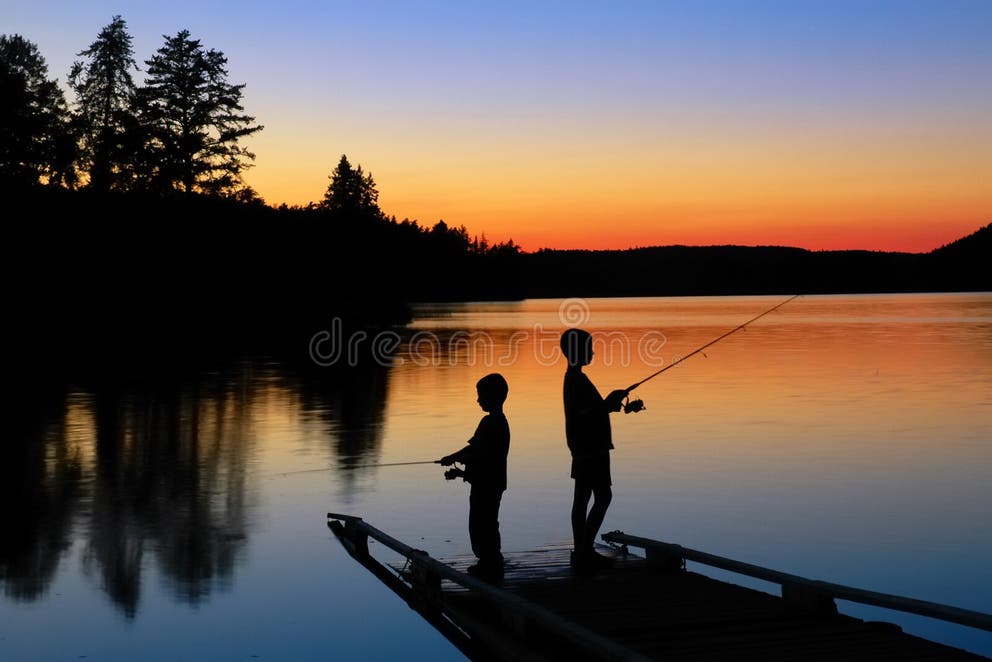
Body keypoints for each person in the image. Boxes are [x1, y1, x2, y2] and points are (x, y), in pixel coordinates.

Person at [560, 328, 627, 572]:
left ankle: (583, 550)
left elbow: (590, 410)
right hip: (590, 448)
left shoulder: (575, 378)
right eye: (589, 348)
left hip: (585, 447)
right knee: (600, 497)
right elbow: (584, 414)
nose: (592, 351)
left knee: (584, 498)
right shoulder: (576, 380)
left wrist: (608, 403)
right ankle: (584, 549)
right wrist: (607, 403)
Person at [440, 373, 510, 581]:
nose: (478, 400)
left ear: (494, 397)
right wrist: (459, 470)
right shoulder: (497, 422)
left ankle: (490, 564)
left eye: (481, 395)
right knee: (487, 523)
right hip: (491, 483)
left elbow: (475, 452)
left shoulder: (491, 423)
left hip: (487, 485)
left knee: (481, 525)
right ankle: (490, 562)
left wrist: (452, 457)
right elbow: (479, 456)